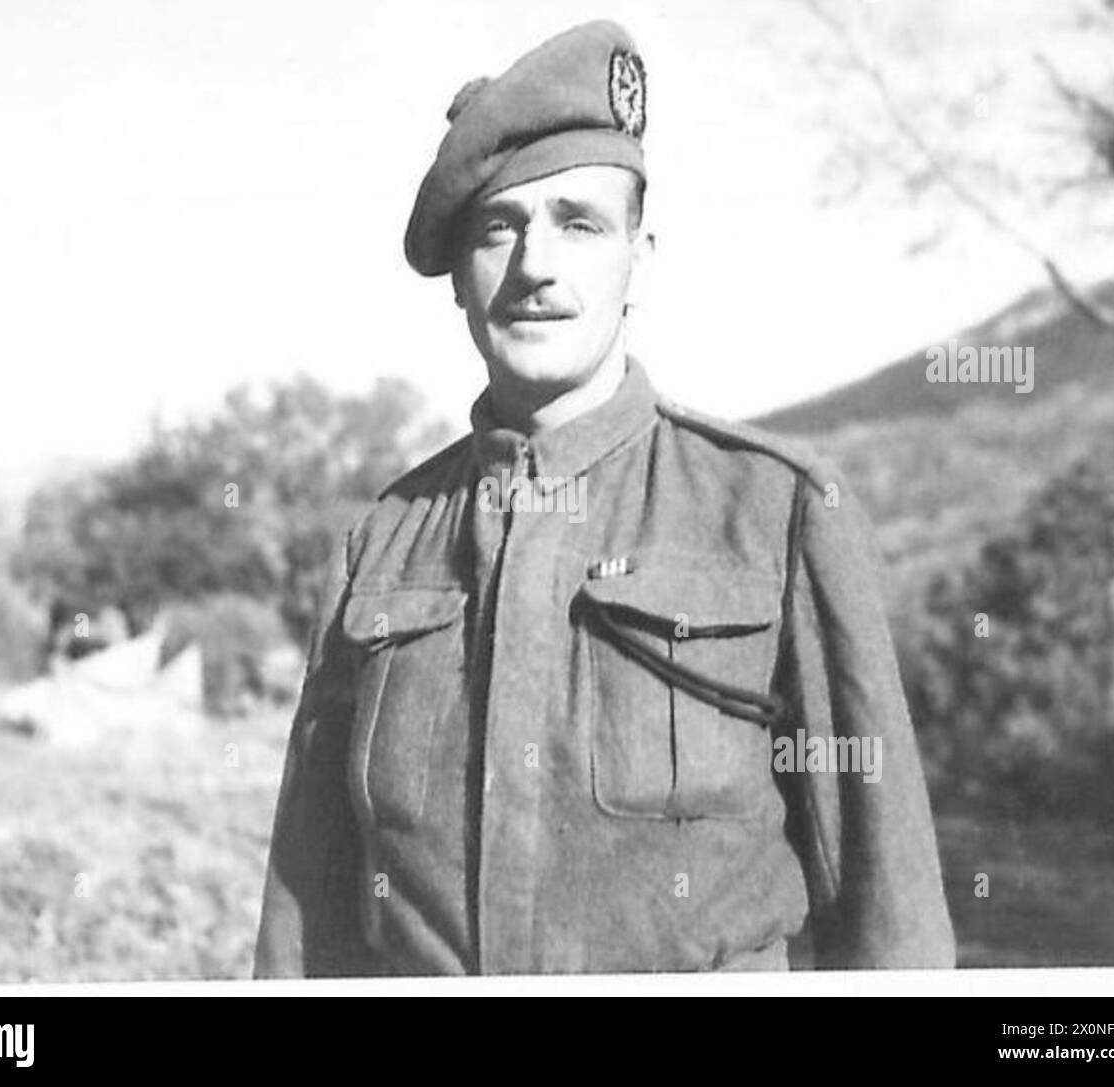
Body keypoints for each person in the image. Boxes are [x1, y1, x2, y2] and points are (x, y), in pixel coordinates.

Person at [254, 19, 955, 976]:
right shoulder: (382, 548)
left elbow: (892, 918)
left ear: (641, 259)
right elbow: (306, 923)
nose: (536, 265)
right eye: (499, 228)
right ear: (460, 277)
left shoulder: (775, 512)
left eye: (579, 223)